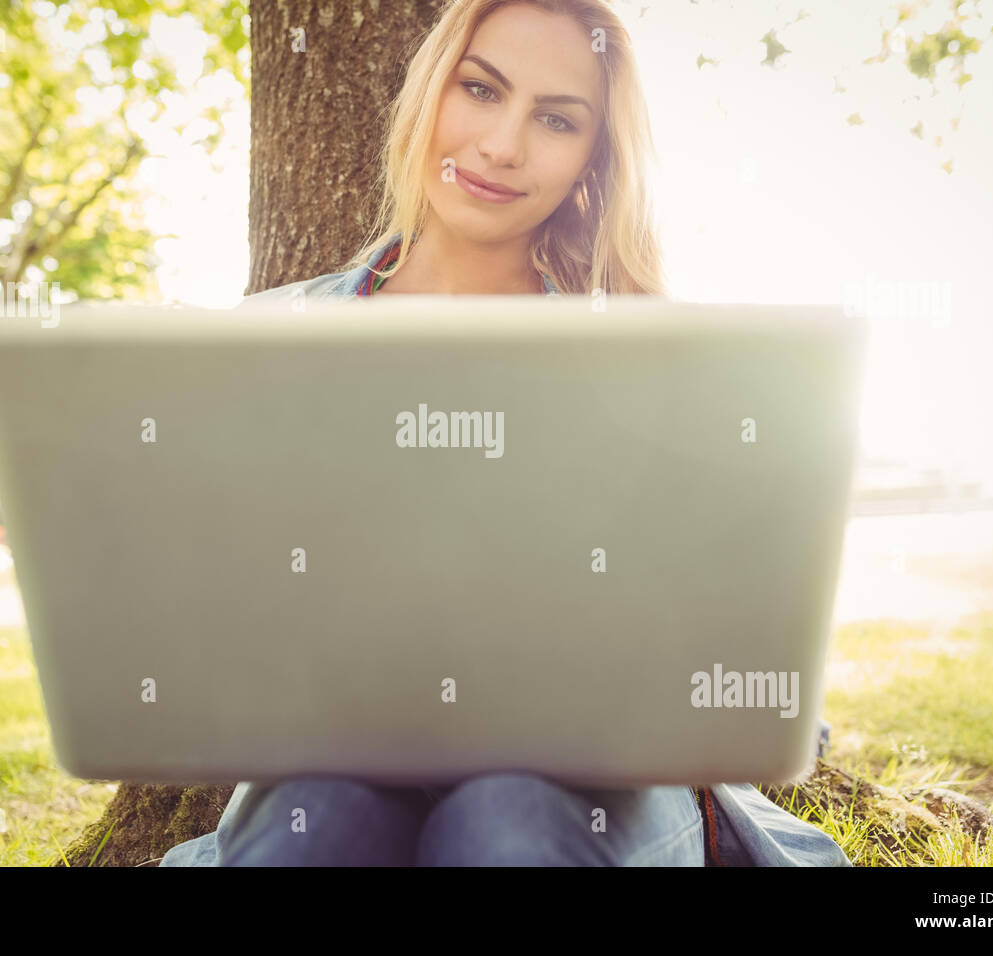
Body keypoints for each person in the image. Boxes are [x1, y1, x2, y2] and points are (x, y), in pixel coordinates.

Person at [161, 0, 851, 866]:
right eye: (480, 90)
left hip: (585, 790)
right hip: (331, 773)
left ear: (591, 164)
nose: (502, 146)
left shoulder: (648, 361)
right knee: (319, 816)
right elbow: (193, 621)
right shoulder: (260, 343)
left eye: (556, 119)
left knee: (507, 820)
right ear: (428, 94)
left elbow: (763, 683)